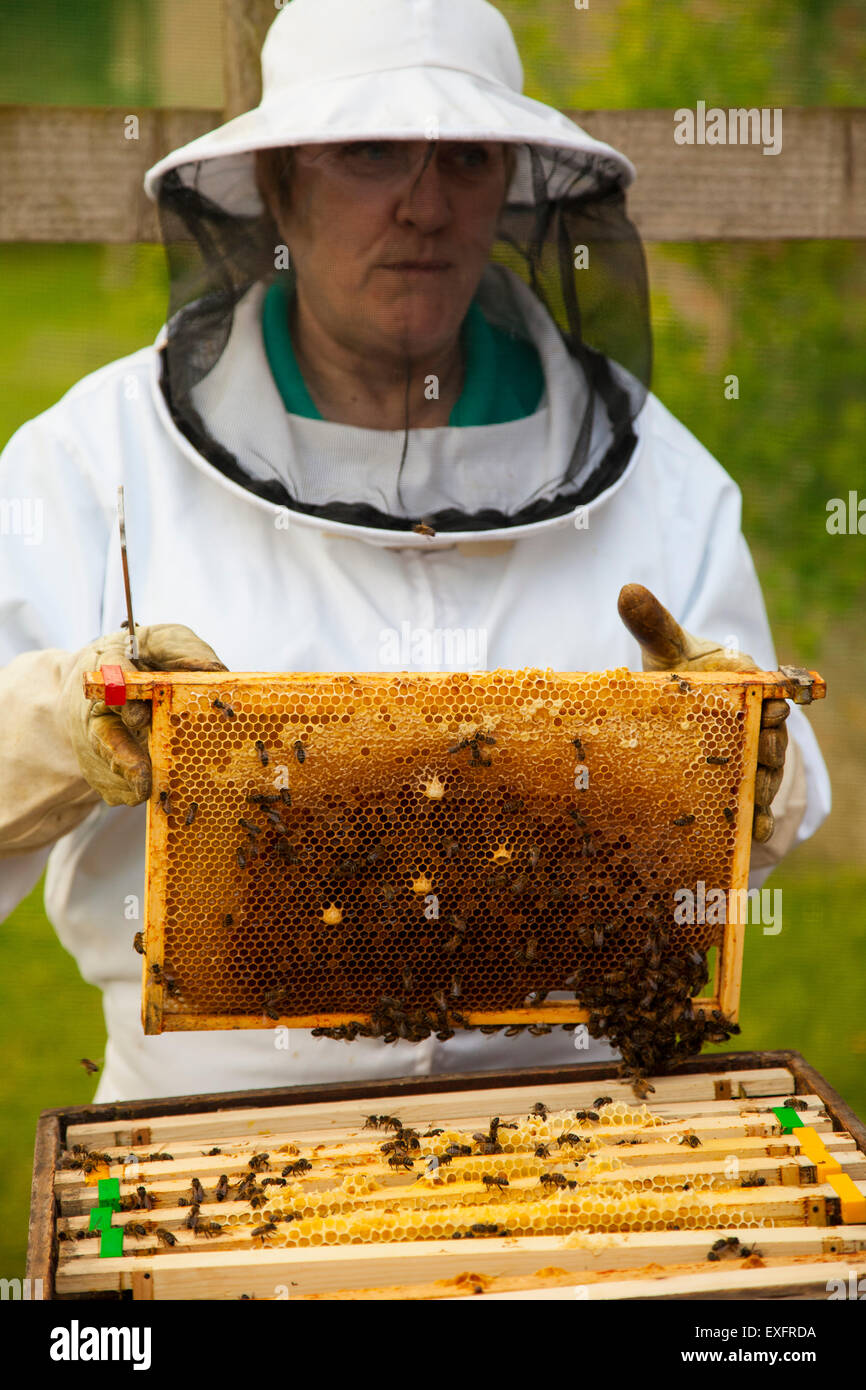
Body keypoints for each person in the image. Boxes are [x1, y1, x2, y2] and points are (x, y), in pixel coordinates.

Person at [0, 0, 829, 1102]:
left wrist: (747, 763)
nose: (423, 205)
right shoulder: (90, 460)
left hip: (580, 1130)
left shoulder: (659, 475)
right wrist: (59, 727)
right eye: (369, 153)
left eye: (465, 157)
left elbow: (762, 806)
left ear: (506, 186)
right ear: (281, 184)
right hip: (210, 1133)